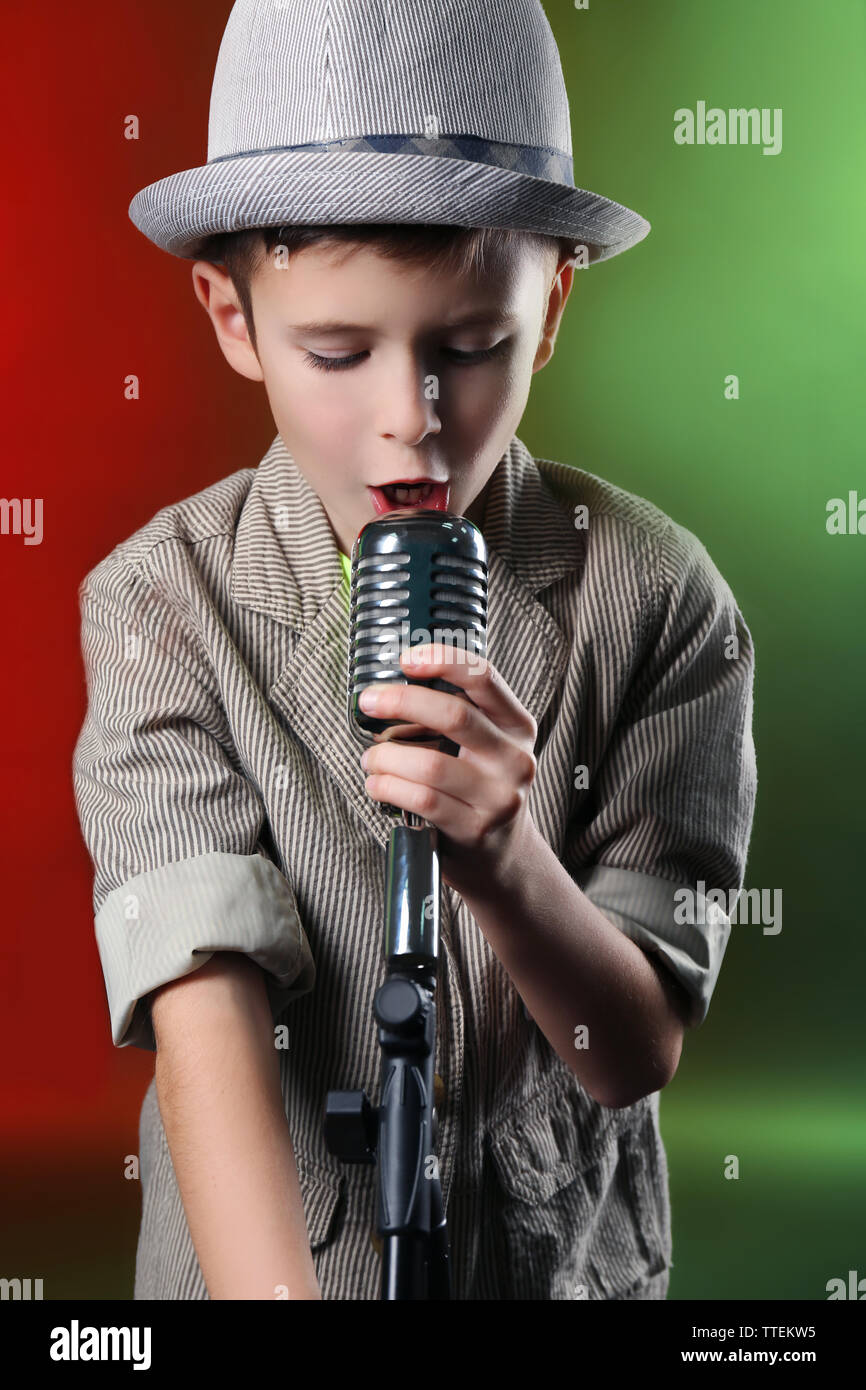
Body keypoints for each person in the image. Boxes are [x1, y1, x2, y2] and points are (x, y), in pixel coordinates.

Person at [72, 0, 757, 1300]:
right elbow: (201, 1010)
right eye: (337, 351)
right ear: (231, 316)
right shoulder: (161, 606)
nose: (410, 420)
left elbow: (627, 1048)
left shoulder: (659, 601)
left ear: (549, 308)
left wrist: (505, 861)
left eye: (469, 347)